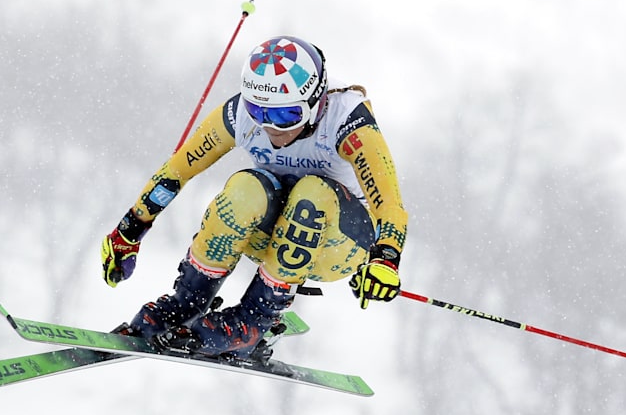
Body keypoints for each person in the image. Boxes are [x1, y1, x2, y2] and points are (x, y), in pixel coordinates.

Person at [100, 35, 408, 361]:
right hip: (274, 236)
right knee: (245, 188)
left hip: (339, 245)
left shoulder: (348, 120)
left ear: (318, 101)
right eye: (258, 110)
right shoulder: (239, 116)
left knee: (313, 193)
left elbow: (389, 203)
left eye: (287, 115)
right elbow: (177, 172)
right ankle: (187, 303)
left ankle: (254, 320)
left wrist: (385, 258)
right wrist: (128, 232)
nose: (271, 127)